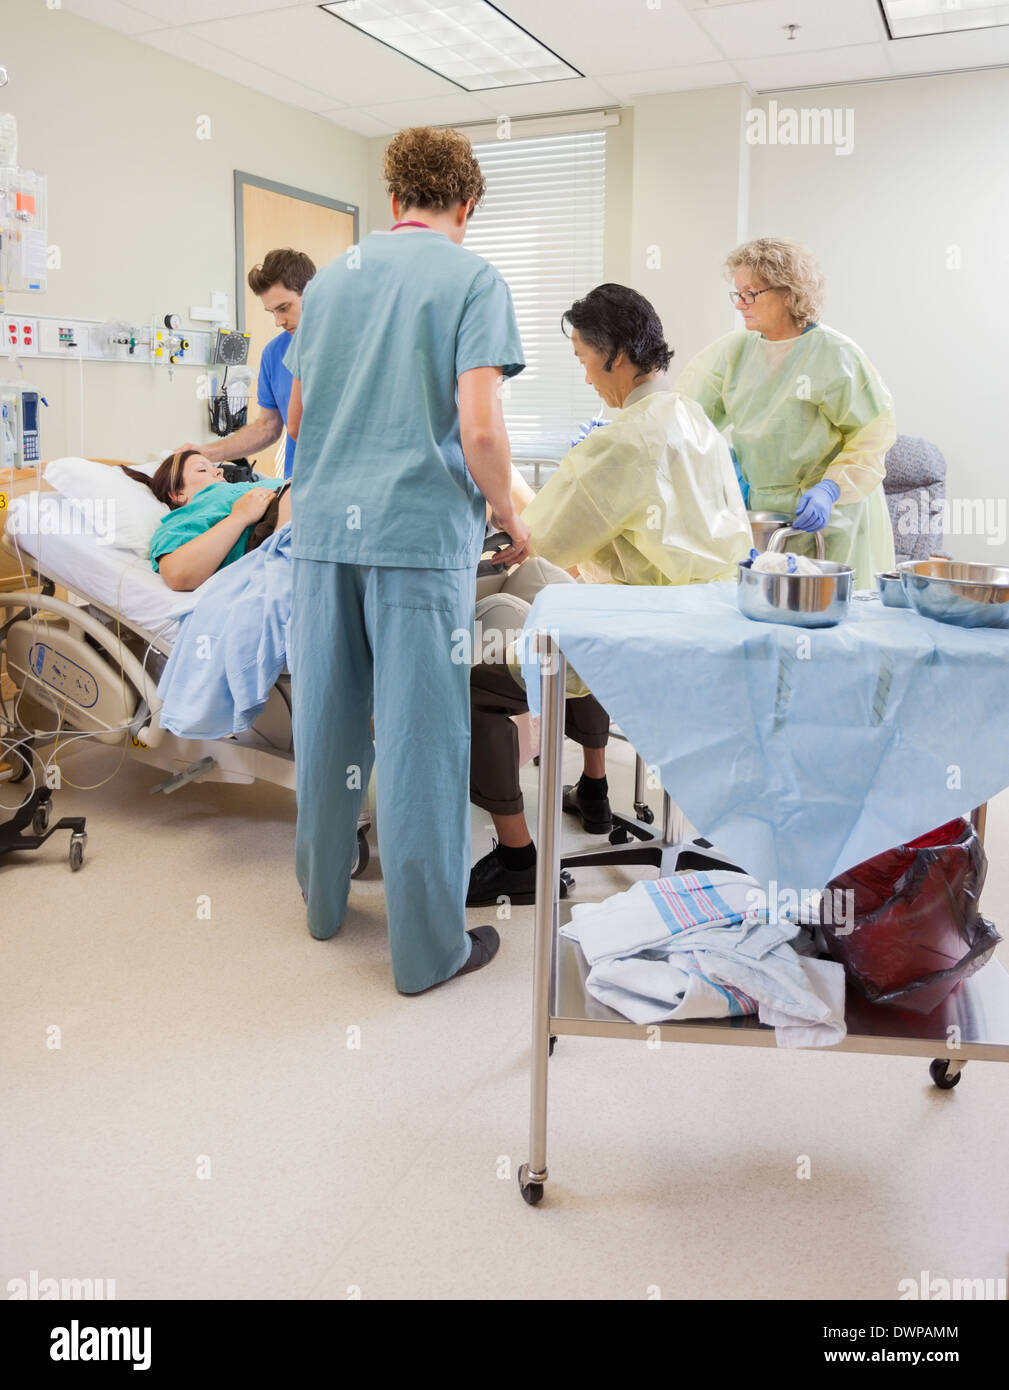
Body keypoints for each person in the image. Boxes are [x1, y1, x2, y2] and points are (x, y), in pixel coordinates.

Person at [284, 126, 530, 995]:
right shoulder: (473, 279)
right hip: (416, 538)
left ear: (394, 200)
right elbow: (479, 428)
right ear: (465, 206)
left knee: (325, 721)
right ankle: (428, 952)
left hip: (318, 534)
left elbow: (300, 419)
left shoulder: (332, 281)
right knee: (423, 739)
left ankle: (321, 906)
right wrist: (508, 511)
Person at [468, 284, 751, 906]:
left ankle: (517, 858)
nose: (586, 377)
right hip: (707, 627)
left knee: (467, 666)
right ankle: (594, 791)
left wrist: (497, 481)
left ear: (616, 355)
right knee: (570, 613)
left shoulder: (622, 440)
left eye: (583, 359)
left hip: (644, 639)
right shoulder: (691, 418)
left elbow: (541, 538)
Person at [676, 237, 896, 587]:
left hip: (833, 518)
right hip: (766, 519)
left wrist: (829, 489)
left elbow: (871, 437)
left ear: (790, 293)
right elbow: (685, 419)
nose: (741, 304)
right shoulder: (734, 354)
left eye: (752, 293)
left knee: (829, 615)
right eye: (738, 294)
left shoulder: (834, 355)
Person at [177, 248, 316, 480]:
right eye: (272, 312)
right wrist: (205, 452)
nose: (278, 321)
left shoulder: (349, 344)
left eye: (284, 308)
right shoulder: (274, 353)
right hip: (300, 484)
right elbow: (267, 427)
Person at [123, 450, 288, 591]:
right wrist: (239, 517)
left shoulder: (242, 487)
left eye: (215, 467)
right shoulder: (180, 520)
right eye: (202, 470)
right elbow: (177, 573)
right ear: (178, 494)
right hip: (280, 519)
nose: (220, 471)